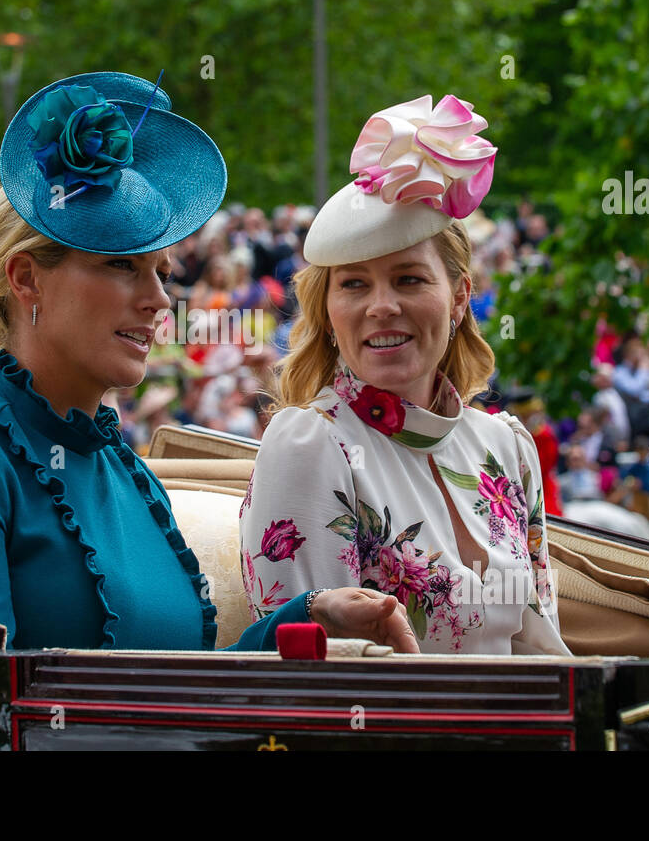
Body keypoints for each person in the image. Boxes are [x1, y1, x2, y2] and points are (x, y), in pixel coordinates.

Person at [0, 71, 417, 653]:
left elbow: (177, 692)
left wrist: (308, 619)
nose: (156, 300)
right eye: (121, 265)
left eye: (163, 274)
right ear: (27, 280)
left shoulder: (130, 472)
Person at [241, 92, 569, 655]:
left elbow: (544, 653)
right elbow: (312, 678)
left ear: (459, 296)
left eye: (410, 279)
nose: (382, 306)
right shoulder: (310, 445)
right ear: (328, 310)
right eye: (354, 283)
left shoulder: (507, 446)